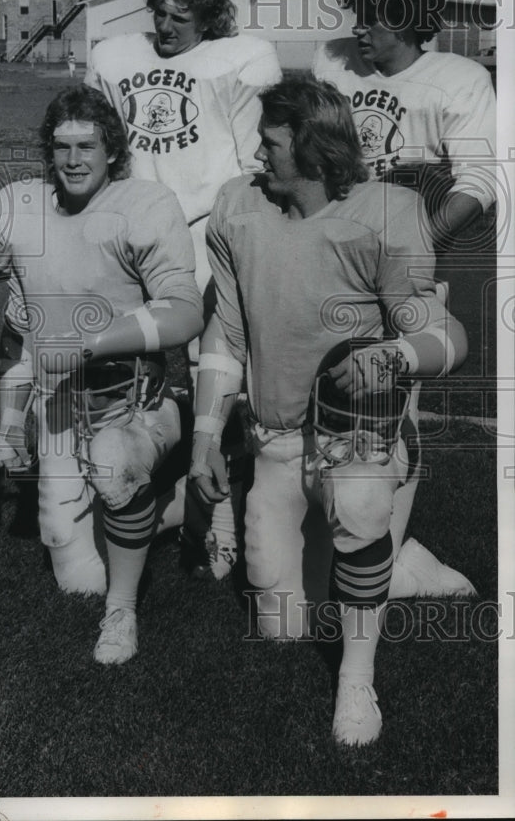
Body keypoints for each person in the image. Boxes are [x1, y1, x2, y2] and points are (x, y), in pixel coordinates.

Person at [188, 77, 469, 746]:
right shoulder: (236, 207)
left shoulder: (386, 212)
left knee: (362, 508)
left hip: (357, 434)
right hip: (277, 441)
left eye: (273, 142)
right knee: (283, 623)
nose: (259, 153)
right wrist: (203, 438)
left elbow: (448, 336)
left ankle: (356, 679)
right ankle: (395, 566)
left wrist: (394, 356)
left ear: (315, 151)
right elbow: (225, 336)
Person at [84, 0, 282, 578]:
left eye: (182, 15)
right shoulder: (118, 56)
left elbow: (257, 160)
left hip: (207, 226)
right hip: (140, 225)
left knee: (214, 367)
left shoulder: (241, 55)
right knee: (119, 355)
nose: (167, 27)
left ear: (209, 14)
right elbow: (102, 141)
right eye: (160, 13)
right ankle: (116, 476)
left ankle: (216, 515)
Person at [0, 84, 203, 664]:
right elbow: (15, 335)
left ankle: (124, 608)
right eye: (62, 147)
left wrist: (88, 344)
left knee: (113, 469)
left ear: (112, 149)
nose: (74, 159)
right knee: (74, 571)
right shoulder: (22, 205)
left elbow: (185, 311)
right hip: (58, 406)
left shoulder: (144, 204)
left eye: (88, 145)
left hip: (132, 400)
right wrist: (12, 425)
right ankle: (172, 504)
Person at [313, 0, 496, 597]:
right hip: (331, 253)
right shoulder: (331, 61)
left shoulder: (459, 78)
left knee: (393, 403)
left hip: (412, 263)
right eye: (355, 12)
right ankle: (350, 543)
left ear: (410, 16)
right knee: (320, 392)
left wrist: (419, 243)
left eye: (373, 15)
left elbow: (480, 182)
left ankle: (385, 559)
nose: (359, 27)